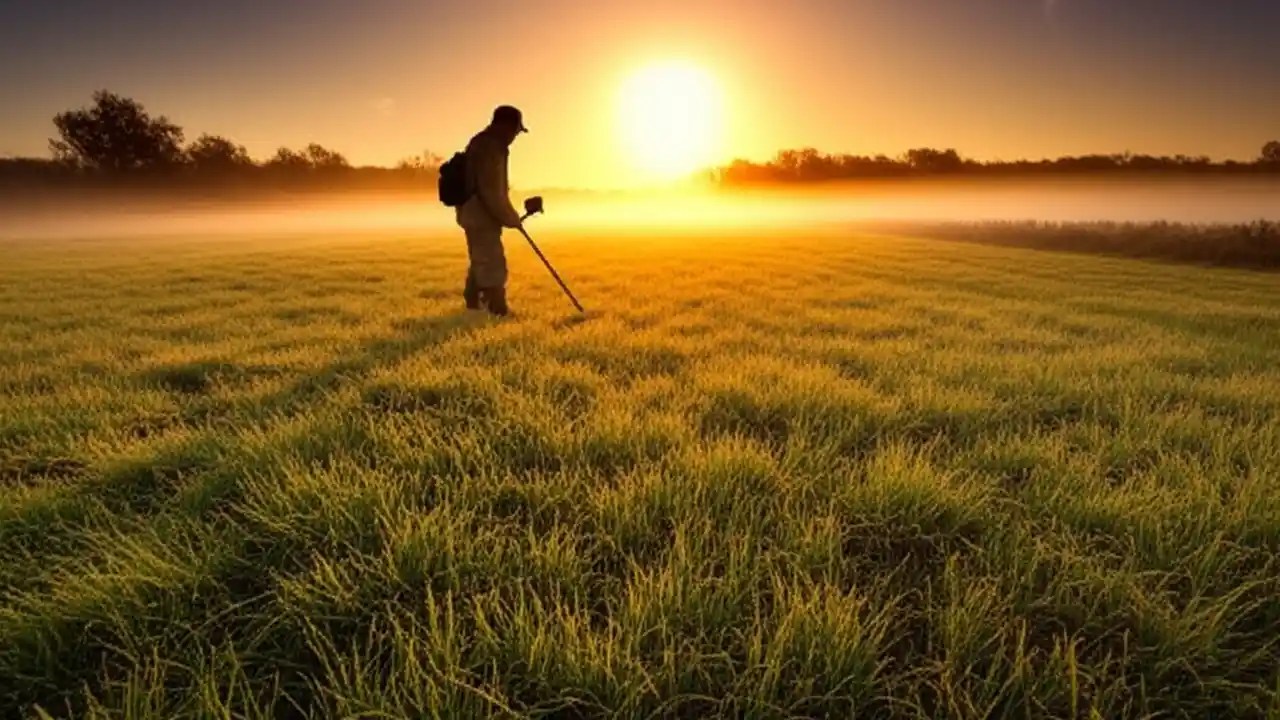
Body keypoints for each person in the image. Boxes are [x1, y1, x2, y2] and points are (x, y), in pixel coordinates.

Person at [456, 105, 529, 316]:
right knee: (491, 260)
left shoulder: (485, 143)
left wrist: (509, 215)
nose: (516, 135)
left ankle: (473, 304)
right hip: (479, 214)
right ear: (506, 125)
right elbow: (490, 190)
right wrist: (509, 217)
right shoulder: (489, 147)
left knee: (481, 257)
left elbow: (495, 190)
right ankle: (496, 310)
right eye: (516, 130)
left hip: (475, 212)